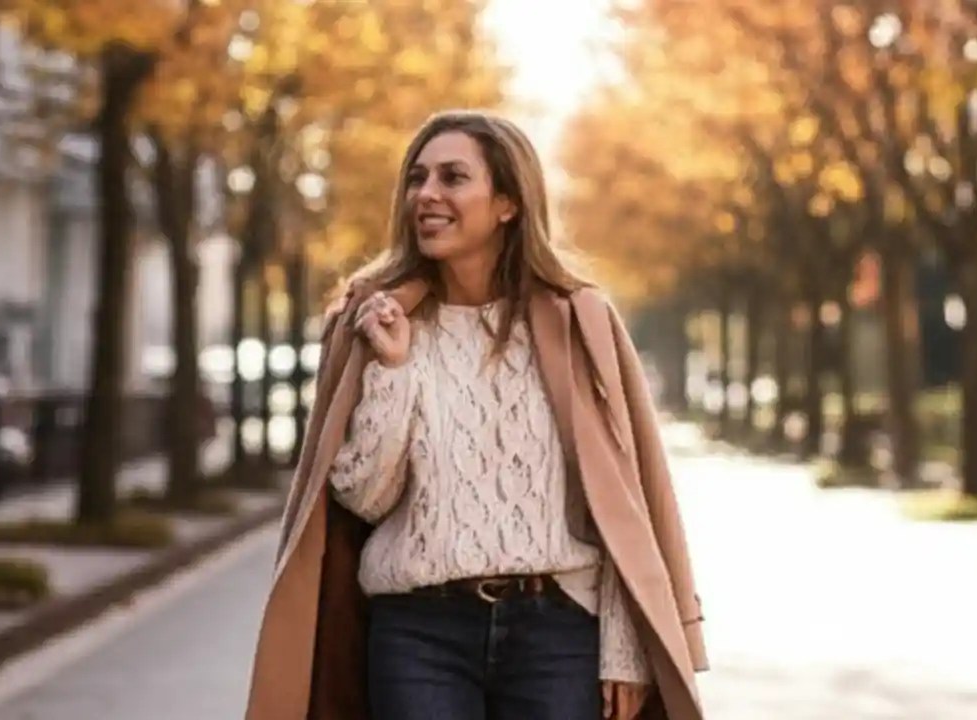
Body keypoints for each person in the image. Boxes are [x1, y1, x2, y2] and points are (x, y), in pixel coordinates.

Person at [244, 110, 707, 720]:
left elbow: (624, 500)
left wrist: (625, 650)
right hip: (418, 634)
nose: (427, 195)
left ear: (509, 202)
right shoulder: (375, 319)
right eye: (417, 178)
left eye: (453, 177)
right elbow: (364, 497)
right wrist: (394, 369)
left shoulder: (579, 322)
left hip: (557, 633)